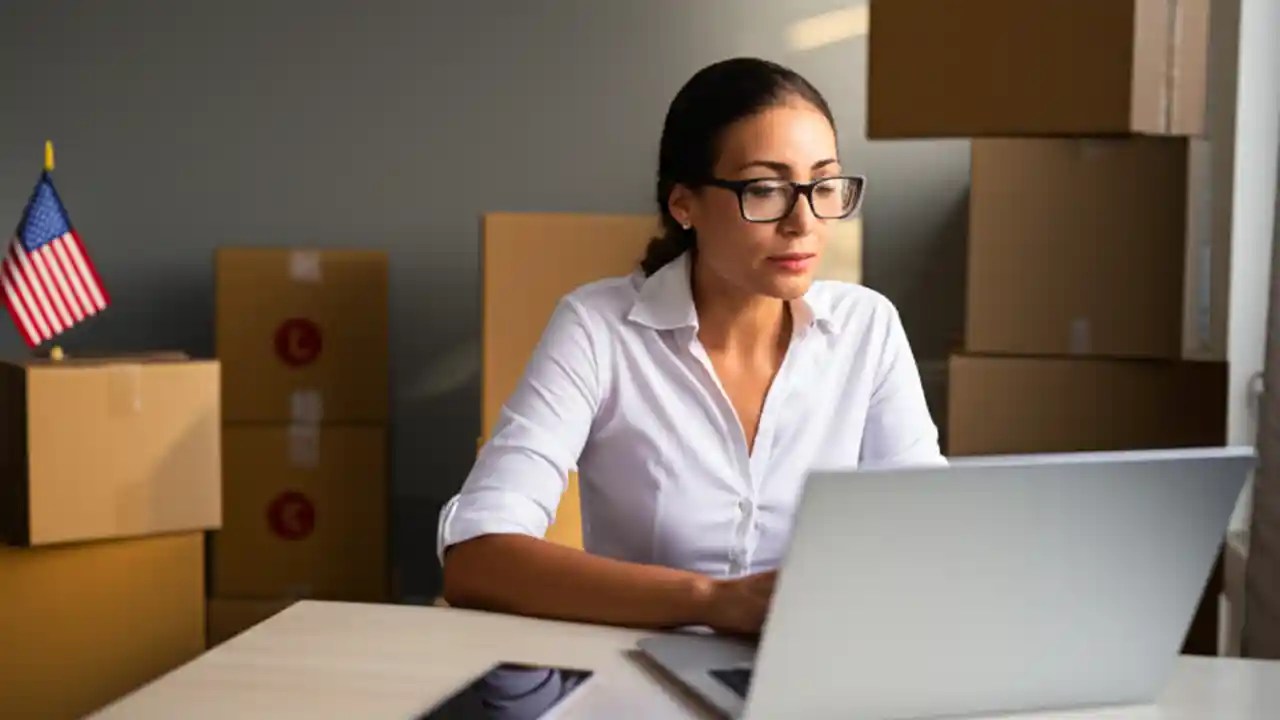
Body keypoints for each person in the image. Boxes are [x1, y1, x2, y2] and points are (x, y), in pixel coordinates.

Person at [438, 57, 943, 635]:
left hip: (818, 672)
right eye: (764, 189)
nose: (803, 221)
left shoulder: (867, 327)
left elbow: (924, 533)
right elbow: (477, 559)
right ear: (684, 204)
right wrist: (711, 600)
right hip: (639, 675)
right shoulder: (598, 328)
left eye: (823, 185)